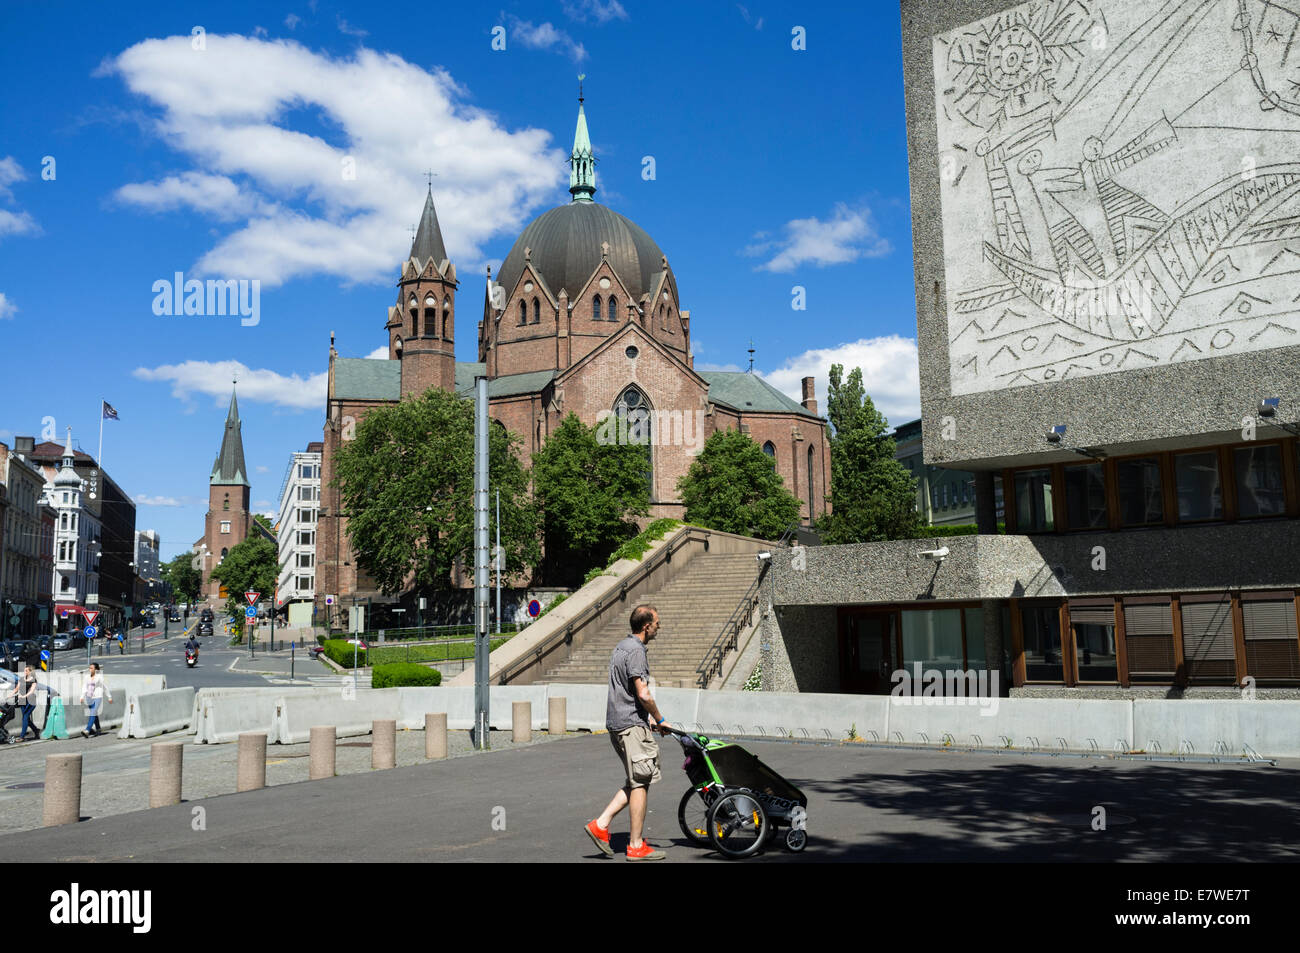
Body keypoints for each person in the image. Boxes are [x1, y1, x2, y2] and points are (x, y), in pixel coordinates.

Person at [585, 604, 670, 861]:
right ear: (647, 626)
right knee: (641, 782)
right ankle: (634, 846)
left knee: (636, 781)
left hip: (619, 722)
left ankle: (601, 825)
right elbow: (642, 692)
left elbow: (626, 692)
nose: (659, 626)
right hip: (631, 725)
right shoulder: (636, 652)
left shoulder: (621, 646)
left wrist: (646, 719)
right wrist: (660, 718)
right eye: (657, 623)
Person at [5, 664, 39, 742]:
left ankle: (22, 737)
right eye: (24, 670)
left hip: (31, 701)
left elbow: (31, 691)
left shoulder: (33, 680)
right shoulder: (21, 679)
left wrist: (25, 696)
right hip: (22, 701)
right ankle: (36, 730)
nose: (24, 672)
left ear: (30, 671)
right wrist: (10, 695)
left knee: (25, 717)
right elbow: (17, 688)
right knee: (26, 718)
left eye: (26, 670)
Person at [81, 663, 113, 737]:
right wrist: (82, 696)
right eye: (89, 668)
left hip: (98, 697)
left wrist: (109, 696)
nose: (90, 669)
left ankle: (87, 730)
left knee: (92, 713)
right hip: (89, 697)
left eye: (92, 668)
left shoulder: (99, 677)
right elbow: (84, 687)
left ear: (96, 669)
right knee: (94, 713)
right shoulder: (87, 677)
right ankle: (98, 729)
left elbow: (105, 687)